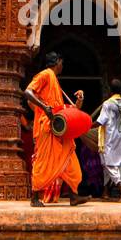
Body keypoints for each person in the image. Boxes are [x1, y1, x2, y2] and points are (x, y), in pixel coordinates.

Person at [23, 53, 88, 207]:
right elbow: (28, 92)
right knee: (43, 161)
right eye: (61, 62)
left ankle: (74, 195)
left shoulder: (54, 80)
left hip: (58, 127)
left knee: (70, 159)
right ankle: (34, 197)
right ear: (57, 62)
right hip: (47, 127)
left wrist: (79, 101)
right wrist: (44, 107)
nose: (62, 66)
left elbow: (63, 108)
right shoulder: (46, 74)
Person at [94, 79, 121, 201]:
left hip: (109, 137)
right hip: (120, 137)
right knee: (115, 164)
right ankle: (105, 192)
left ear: (110, 90)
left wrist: (87, 125)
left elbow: (101, 121)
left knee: (108, 163)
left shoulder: (108, 104)